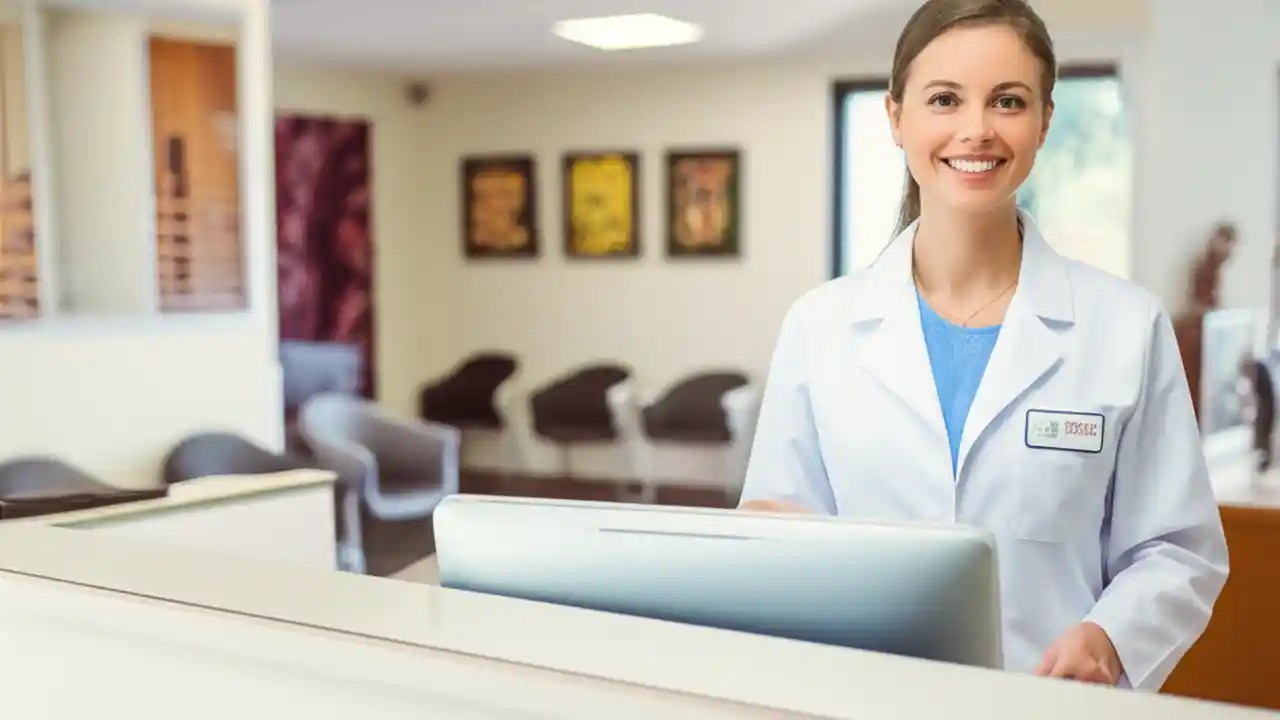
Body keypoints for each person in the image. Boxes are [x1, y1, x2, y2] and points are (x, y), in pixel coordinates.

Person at [738, 0, 1228, 693]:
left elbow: (1178, 549)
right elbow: (777, 534)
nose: (976, 130)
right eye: (944, 99)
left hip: (1051, 703)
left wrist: (1110, 637)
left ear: (1045, 121)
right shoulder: (820, 327)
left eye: (1007, 101)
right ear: (895, 117)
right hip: (862, 697)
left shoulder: (1124, 327)